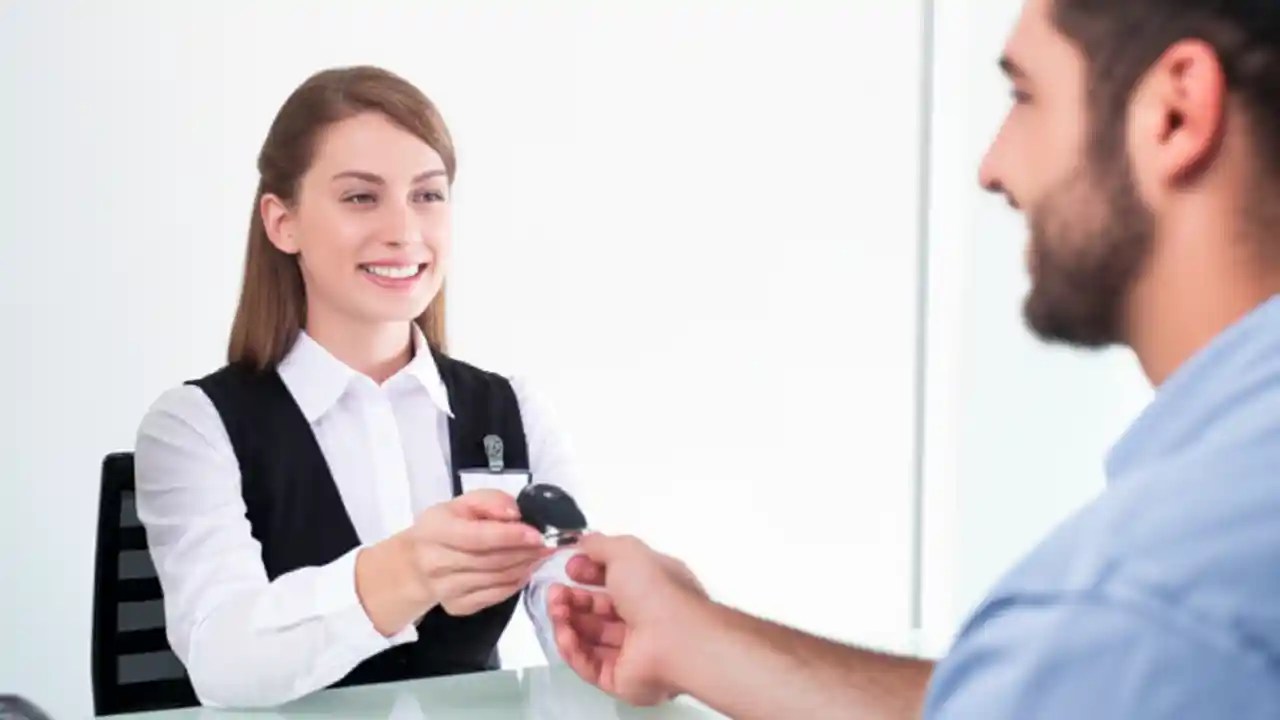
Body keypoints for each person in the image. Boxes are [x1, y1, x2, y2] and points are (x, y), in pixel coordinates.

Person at [548, 0, 1280, 717]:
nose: (993, 167)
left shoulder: (1142, 608)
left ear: (1174, 112)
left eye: (1026, 95)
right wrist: (693, 642)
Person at [133, 66, 580, 709]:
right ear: (282, 222)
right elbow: (221, 662)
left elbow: (575, 607)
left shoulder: (515, 412)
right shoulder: (195, 425)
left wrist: (614, 613)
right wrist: (409, 569)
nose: (404, 231)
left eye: (427, 195)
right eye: (361, 198)